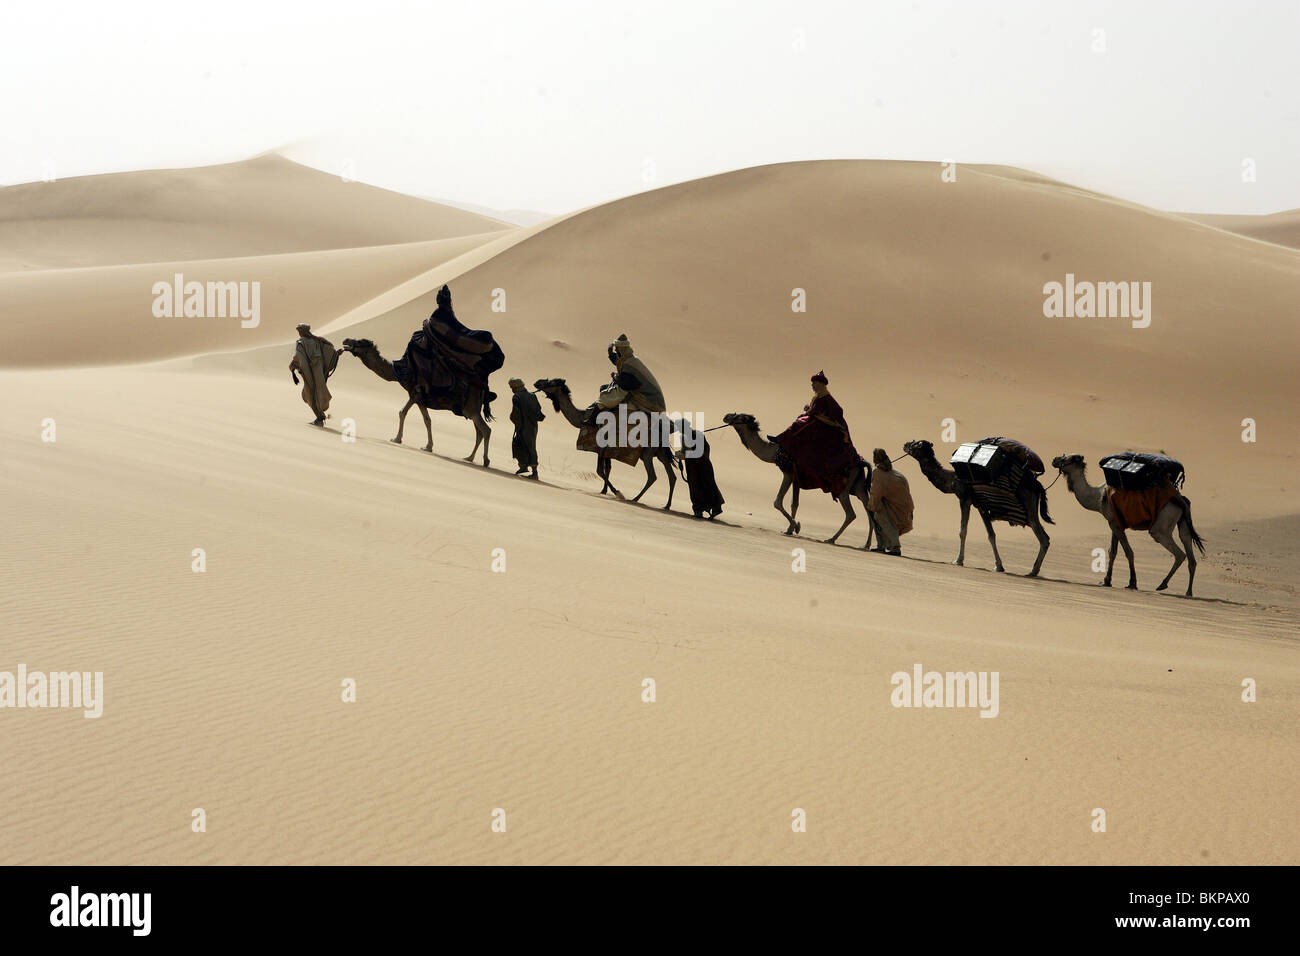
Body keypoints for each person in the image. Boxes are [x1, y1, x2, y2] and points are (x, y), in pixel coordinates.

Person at [773, 371, 865, 499]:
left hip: (824, 426)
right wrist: (809, 411)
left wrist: (814, 413)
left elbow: (836, 411)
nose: (812, 385)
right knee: (801, 421)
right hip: (818, 422)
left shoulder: (826, 397)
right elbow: (815, 410)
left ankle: (781, 440)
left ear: (821, 384)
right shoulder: (819, 396)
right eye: (812, 383)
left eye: (814, 383)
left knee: (799, 424)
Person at [289, 323, 342, 426]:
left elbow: (297, 356)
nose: (298, 332)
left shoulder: (300, 342)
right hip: (318, 373)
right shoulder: (317, 340)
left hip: (309, 373)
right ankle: (320, 417)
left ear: (302, 331)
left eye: (299, 330)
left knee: (310, 394)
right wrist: (336, 354)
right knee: (318, 391)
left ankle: (320, 418)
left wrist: (292, 366)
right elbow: (329, 350)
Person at [866, 448, 914, 555]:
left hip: (897, 505)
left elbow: (876, 492)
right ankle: (882, 545)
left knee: (881, 518)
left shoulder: (877, 472)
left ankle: (895, 547)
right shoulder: (894, 473)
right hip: (903, 504)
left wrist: (872, 505)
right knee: (883, 519)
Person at [676, 418, 725, 519]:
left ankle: (715, 508)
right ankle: (698, 510)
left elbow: (702, 451)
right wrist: (680, 455)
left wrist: (685, 455)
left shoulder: (698, 435)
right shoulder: (684, 437)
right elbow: (685, 451)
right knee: (694, 487)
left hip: (703, 466)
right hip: (692, 467)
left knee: (708, 485)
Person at [508, 378, 545, 479]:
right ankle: (523, 466)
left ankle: (534, 473)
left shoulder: (516, 397)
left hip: (523, 426)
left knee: (528, 446)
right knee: (525, 444)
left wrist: (517, 424)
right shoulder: (532, 395)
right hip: (533, 425)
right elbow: (539, 409)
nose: (511, 389)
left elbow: (516, 413)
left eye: (512, 387)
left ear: (515, 387)